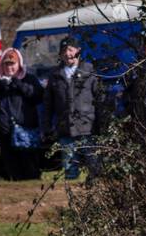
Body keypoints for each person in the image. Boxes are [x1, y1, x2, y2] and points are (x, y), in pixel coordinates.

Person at [42, 36, 110, 180]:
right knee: (70, 170)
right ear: (60, 55)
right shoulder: (55, 76)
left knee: (95, 169)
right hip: (65, 130)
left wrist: (103, 124)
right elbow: (48, 105)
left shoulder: (90, 71)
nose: (68, 54)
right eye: (64, 51)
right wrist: (46, 127)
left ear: (78, 51)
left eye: (71, 50)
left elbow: (100, 100)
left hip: (88, 128)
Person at [0, 48, 43, 181]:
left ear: (19, 64)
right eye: (6, 64)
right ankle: (14, 186)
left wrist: (19, 85)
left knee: (29, 162)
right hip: (5, 131)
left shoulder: (29, 79)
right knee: (11, 163)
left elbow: (37, 96)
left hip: (25, 130)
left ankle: (32, 185)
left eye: (12, 64)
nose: (9, 67)